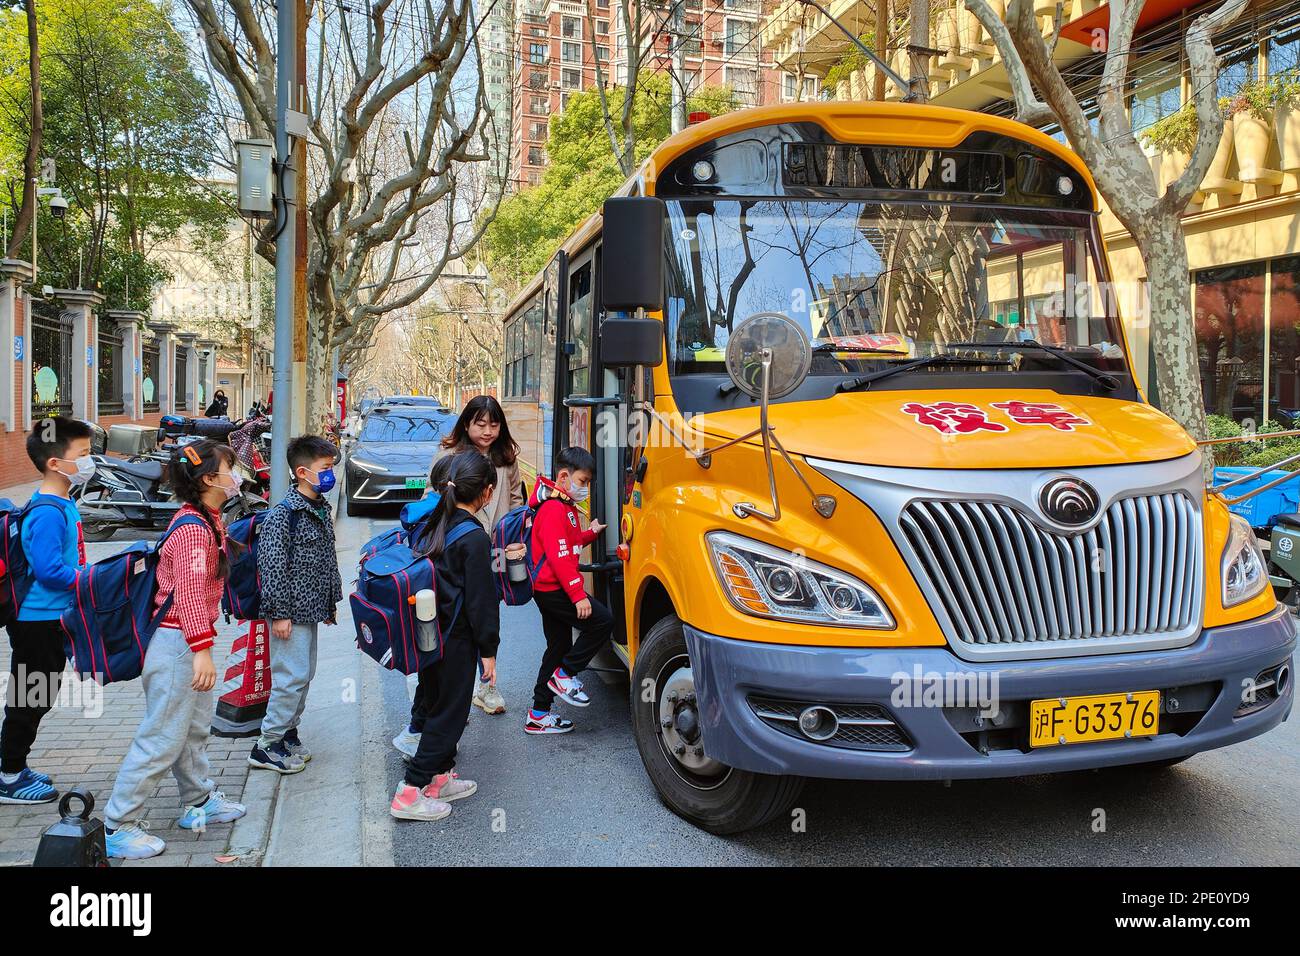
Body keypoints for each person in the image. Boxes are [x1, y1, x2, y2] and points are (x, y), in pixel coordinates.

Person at [102, 440, 248, 859]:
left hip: (187, 642)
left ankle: (198, 800)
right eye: (230, 468)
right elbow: (186, 594)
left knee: (192, 730)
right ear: (208, 479)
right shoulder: (191, 529)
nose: (236, 476)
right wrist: (202, 649)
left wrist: (201, 646)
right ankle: (117, 824)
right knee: (162, 737)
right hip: (178, 644)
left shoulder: (206, 518)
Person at [390, 451, 499, 821]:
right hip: (456, 641)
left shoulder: (434, 522)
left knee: (437, 705)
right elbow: (482, 604)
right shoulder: (474, 538)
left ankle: (439, 778)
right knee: (448, 716)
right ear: (485, 493)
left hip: (429, 634)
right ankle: (409, 791)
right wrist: (489, 651)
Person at [0, 417, 92, 805]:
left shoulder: (61, 503)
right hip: (37, 620)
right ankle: (8, 775)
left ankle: (13, 764)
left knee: (37, 693)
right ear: (55, 463)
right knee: (29, 696)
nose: (90, 462)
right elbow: (49, 570)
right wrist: (92, 580)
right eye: (83, 455)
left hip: (48, 618)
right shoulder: (47, 512)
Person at [248, 435, 343, 774]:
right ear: (303, 472)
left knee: (304, 674)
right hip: (289, 613)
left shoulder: (319, 507)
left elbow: (326, 560)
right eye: (326, 468)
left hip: (311, 609)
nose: (330, 474)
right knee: (291, 677)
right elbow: (272, 567)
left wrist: (330, 602)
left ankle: (288, 732)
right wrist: (279, 614)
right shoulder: (283, 515)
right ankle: (267, 744)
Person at [432, 395, 524, 716]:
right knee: (457, 621)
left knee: (487, 614)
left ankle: (486, 686)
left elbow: (515, 500)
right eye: (480, 423)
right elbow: (433, 503)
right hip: (457, 549)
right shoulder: (448, 457)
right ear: (466, 423)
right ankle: (449, 697)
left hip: (493, 551)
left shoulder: (507, 459)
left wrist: (514, 539)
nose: (487, 431)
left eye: (494, 424)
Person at [524, 445, 612, 736]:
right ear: (564, 477)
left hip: (550, 587)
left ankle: (538, 714)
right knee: (602, 621)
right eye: (583, 481)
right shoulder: (552, 509)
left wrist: (591, 533)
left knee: (558, 646)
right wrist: (577, 595)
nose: (585, 488)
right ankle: (565, 675)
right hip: (553, 589)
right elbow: (561, 557)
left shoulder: (565, 506)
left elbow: (569, 543)